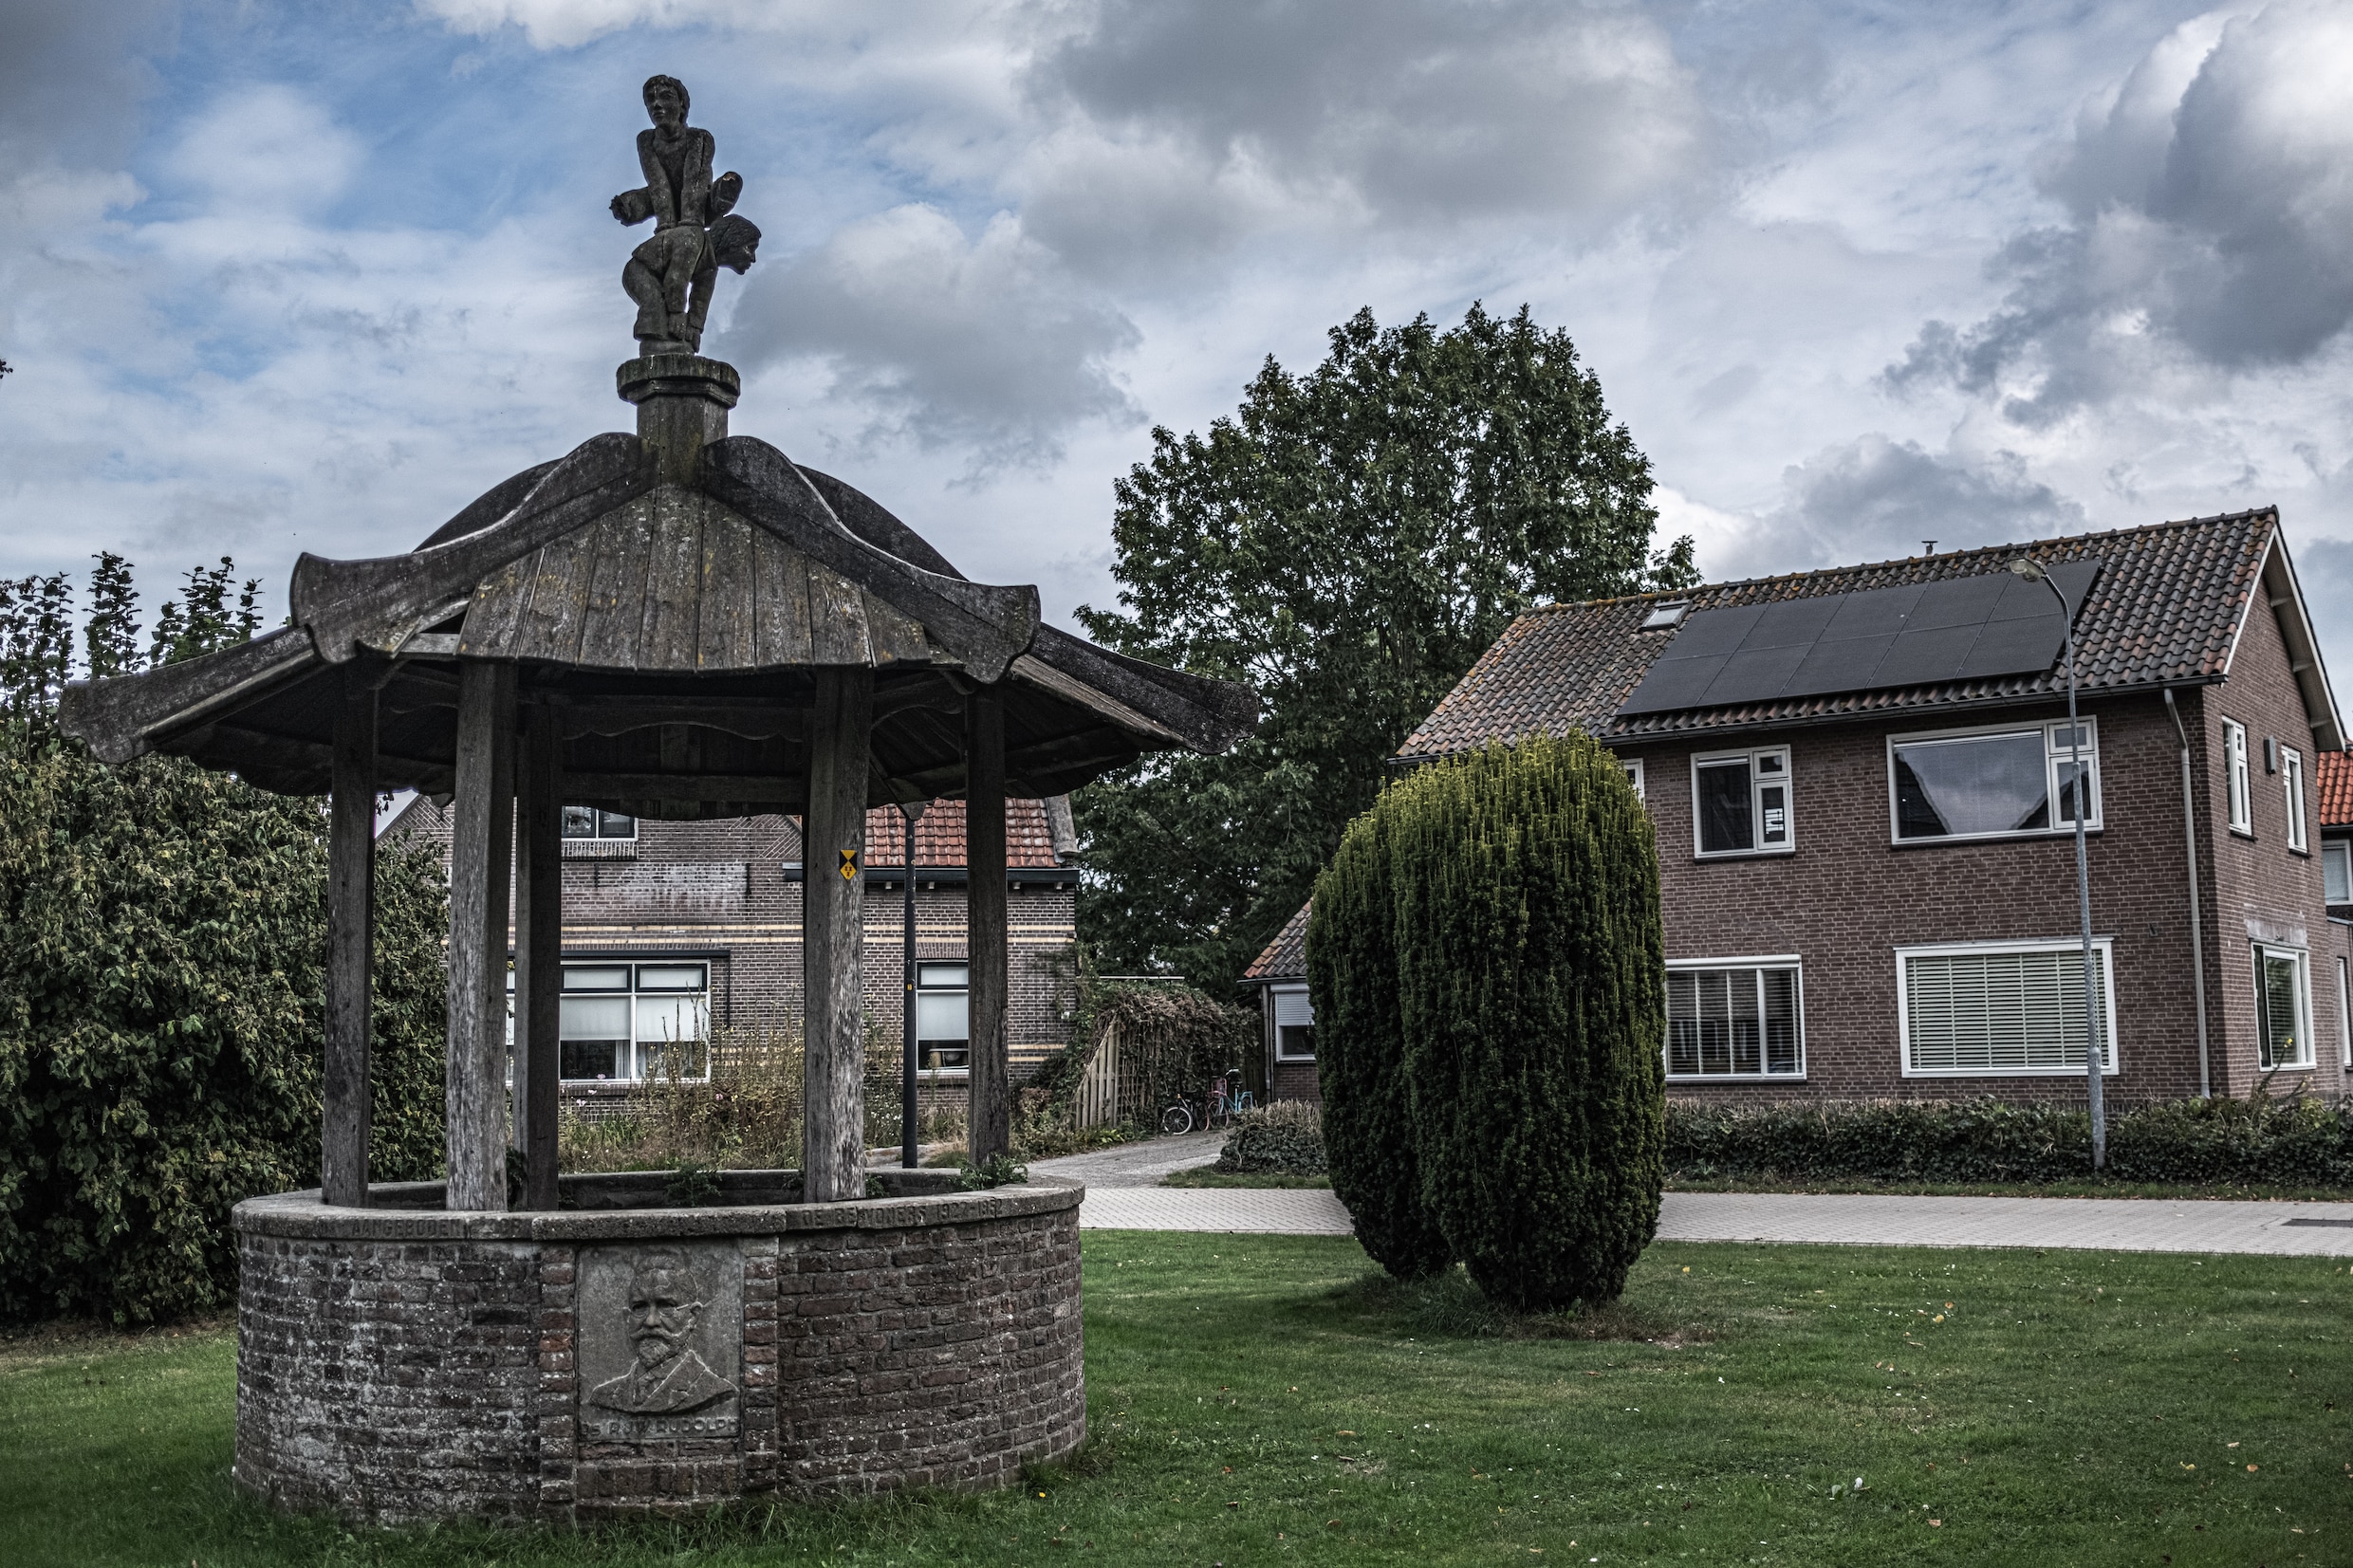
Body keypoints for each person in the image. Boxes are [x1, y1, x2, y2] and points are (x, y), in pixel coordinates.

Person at [611, 75, 760, 354]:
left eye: (665, 97)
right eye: (650, 101)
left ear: (682, 105)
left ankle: (667, 343)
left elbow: (694, 182)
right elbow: (658, 186)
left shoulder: (699, 139)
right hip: (671, 235)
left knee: (666, 306)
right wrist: (667, 226)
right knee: (657, 306)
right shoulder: (646, 141)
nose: (656, 105)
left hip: (697, 209)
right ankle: (658, 341)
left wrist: (693, 330)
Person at [586, 1247, 736, 1415]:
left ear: (693, 1316)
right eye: (639, 1307)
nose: (651, 1321)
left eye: (666, 1306)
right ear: (627, 1318)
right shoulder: (603, 1397)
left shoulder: (717, 1392)